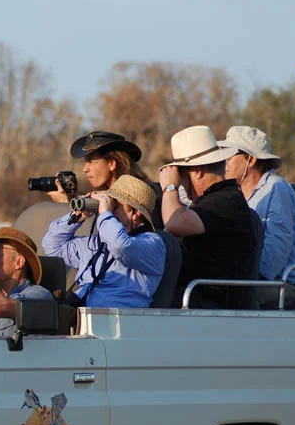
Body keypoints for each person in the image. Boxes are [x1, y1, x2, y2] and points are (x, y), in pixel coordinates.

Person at [220, 125, 295, 309]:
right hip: (259, 282)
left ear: (250, 160)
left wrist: (244, 279)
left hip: (291, 285)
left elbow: (276, 249)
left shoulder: (276, 188)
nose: (223, 161)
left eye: (229, 155)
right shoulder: (235, 194)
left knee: (234, 298)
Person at [158, 125, 255, 308]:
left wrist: (169, 187)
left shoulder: (226, 201)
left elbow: (174, 223)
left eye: (181, 174)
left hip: (212, 306)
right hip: (198, 300)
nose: (180, 183)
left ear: (198, 171)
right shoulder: (215, 200)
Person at [41, 174, 166, 308]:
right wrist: (78, 216)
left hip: (120, 317)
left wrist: (106, 213)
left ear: (135, 214)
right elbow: (52, 246)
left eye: (116, 205)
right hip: (83, 313)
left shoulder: (152, 243)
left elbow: (120, 246)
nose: (110, 208)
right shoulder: (96, 243)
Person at [45, 130, 163, 229]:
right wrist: (73, 204)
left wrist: (64, 207)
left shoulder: (146, 200)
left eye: (91, 161)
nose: (85, 169)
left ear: (111, 164)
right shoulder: (104, 197)